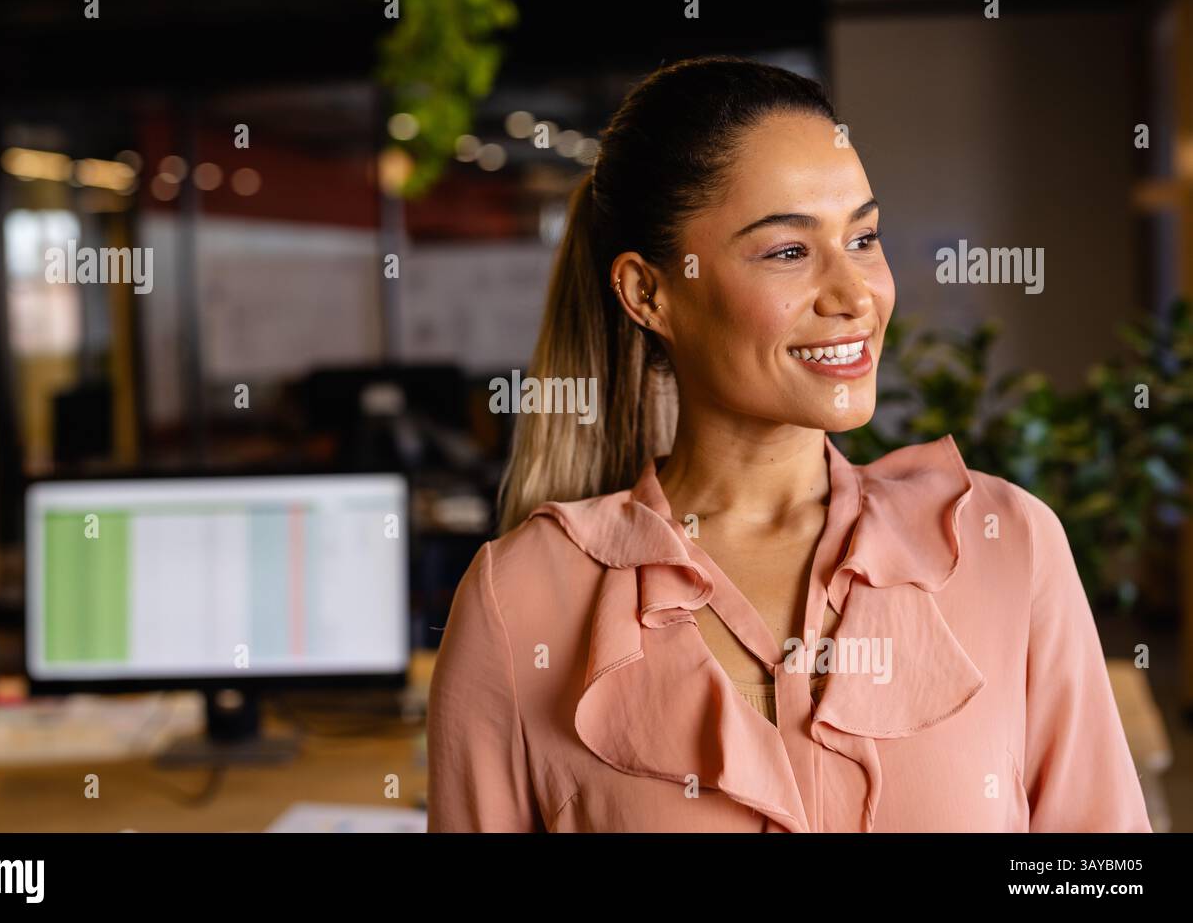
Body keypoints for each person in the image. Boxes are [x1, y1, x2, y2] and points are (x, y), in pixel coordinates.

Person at [426, 55, 1151, 832]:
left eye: (863, 237)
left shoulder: (1006, 543)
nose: (855, 294)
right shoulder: (519, 600)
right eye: (788, 251)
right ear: (648, 292)